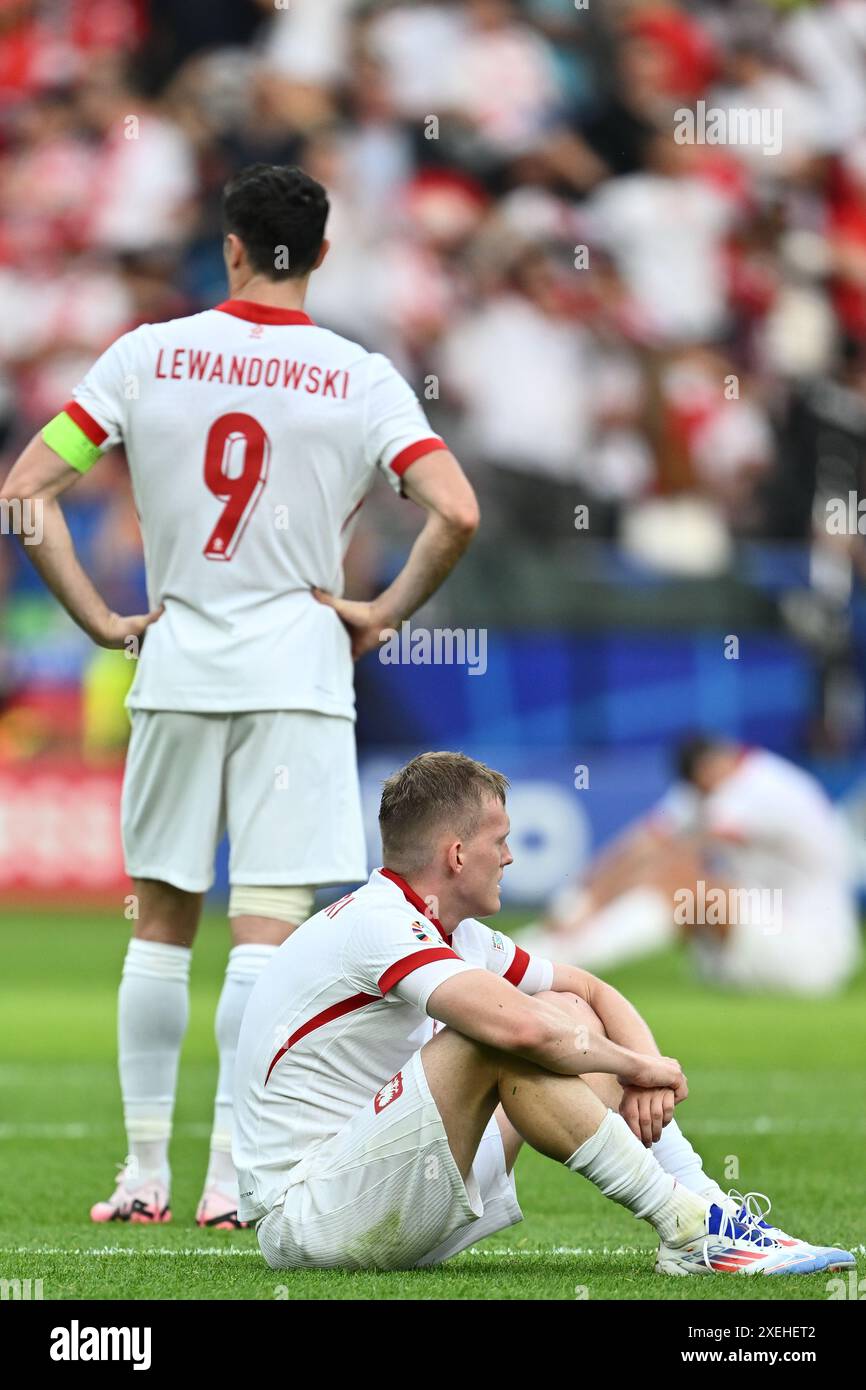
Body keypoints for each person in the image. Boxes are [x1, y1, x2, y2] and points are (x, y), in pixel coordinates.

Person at [0, 164, 479, 1228]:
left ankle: (139, 1174)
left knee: (159, 923)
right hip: (298, 676)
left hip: (174, 663)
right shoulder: (357, 376)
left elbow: (24, 492)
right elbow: (455, 508)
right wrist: (380, 608)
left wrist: (97, 618)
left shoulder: (146, 354)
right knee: (264, 932)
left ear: (228, 247)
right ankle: (232, 1179)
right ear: (317, 254)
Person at [233, 750, 852, 1274]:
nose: (509, 857)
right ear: (455, 855)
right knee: (506, 1034)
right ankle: (689, 1228)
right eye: (499, 842)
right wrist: (641, 1065)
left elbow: (589, 992)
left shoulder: (454, 929)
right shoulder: (379, 924)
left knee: (558, 1006)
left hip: (381, 1184)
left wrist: (645, 1067)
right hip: (309, 1216)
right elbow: (522, 1031)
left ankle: (712, 1214)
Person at [522, 737, 862, 995]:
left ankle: (546, 966)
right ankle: (525, 956)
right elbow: (640, 844)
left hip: (812, 951)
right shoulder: (715, 783)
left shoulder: (768, 788)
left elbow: (675, 851)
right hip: (759, 936)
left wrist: (593, 905)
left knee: (688, 885)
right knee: (679, 880)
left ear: (711, 768)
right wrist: (583, 898)